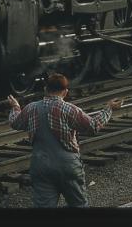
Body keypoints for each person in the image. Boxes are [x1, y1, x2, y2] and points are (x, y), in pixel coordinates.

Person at [8, 72, 123, 208]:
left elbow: (15, 122)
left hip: (41, 165)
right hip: (68, 166)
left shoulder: (31, 108)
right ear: (65, 92)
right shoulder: (70, 110)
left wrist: (15, 106)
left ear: (45, 89)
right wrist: (109, 109)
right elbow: (93, 126)